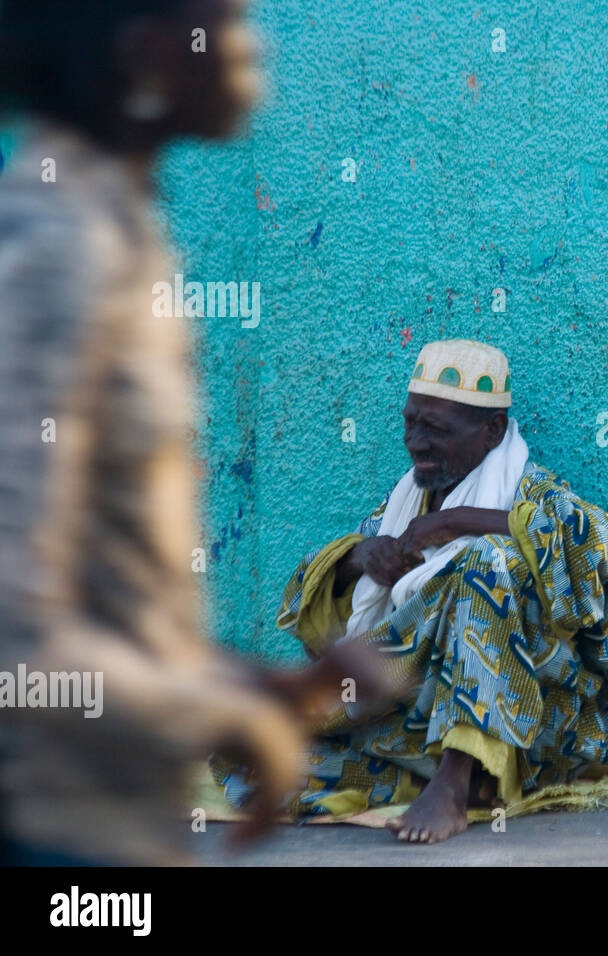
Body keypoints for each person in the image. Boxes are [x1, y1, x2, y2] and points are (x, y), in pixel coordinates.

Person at [0, 0, 391, 865]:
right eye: (228, 18)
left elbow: (105, 603)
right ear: (145, 50)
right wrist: (224, 716)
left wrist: (269, 685)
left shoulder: (118, 229)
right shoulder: (58, 247)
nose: (252, 44)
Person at [213, 339, 608, 844]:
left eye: (435, 429)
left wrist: (458, 523)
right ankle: (438, 775)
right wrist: (360, 558)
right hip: (410, 721)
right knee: (256, 757)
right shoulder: (407, 500)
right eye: (410, 423)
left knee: (485, 560)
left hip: (536, 726)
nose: (415, 442)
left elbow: (599, 540)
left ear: (492, 431)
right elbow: (316, 609)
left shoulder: (530, 491)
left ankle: (459, 780)